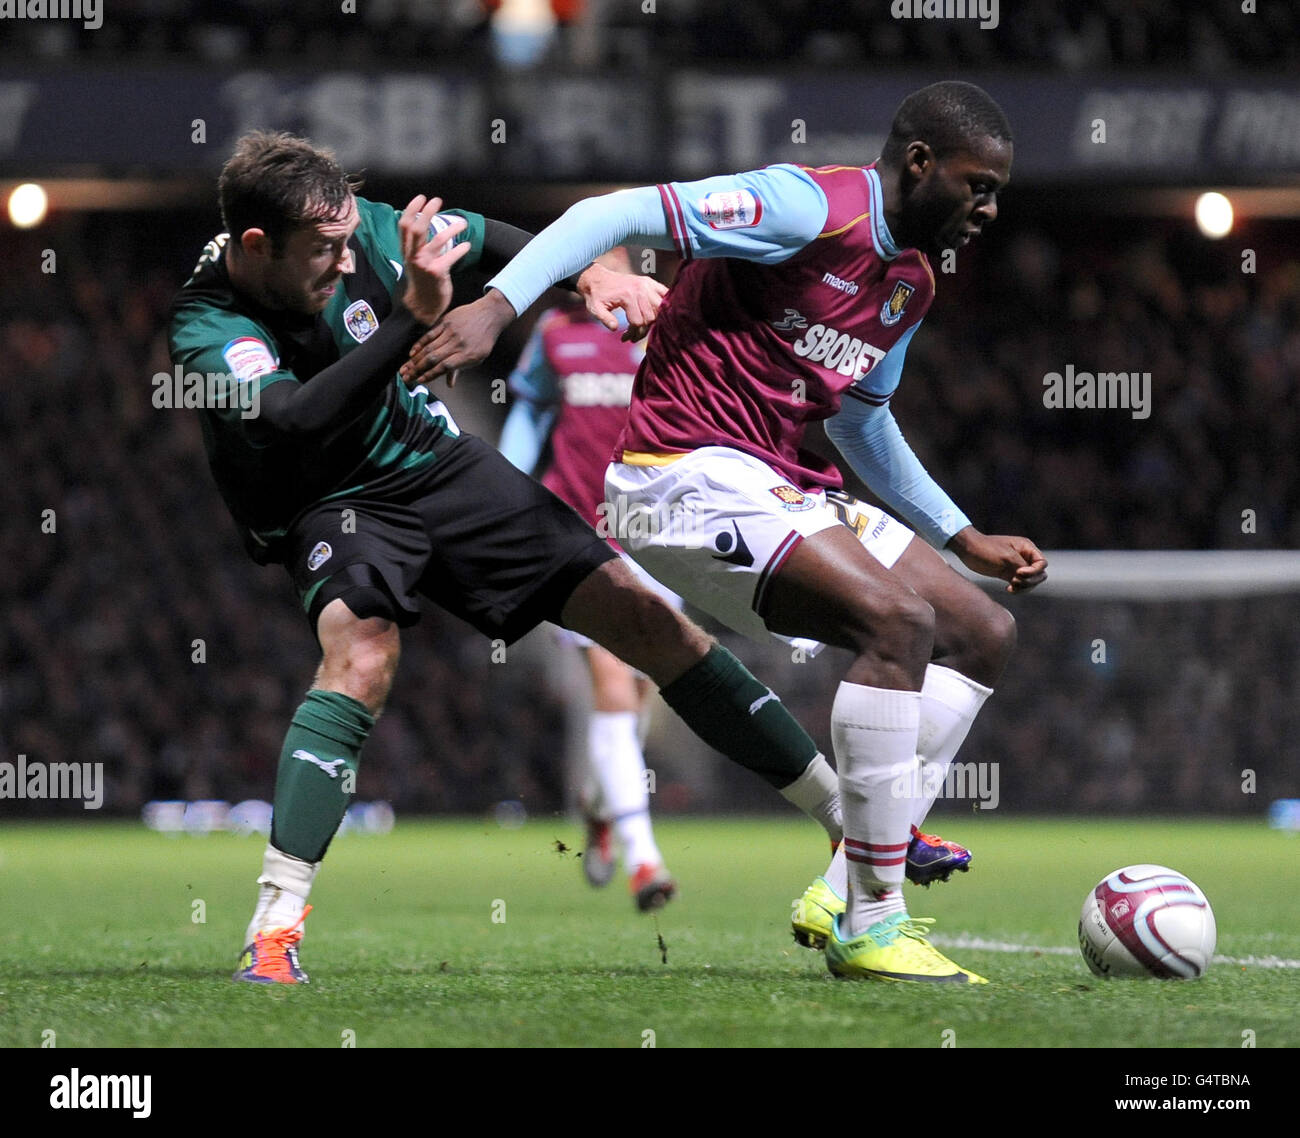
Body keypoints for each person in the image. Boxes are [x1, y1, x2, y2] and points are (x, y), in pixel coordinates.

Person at [400, 81, 1048, 983]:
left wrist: (958, 533)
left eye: (997, 194)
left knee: (984, 633)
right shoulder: (807, 205)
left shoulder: (912, 281)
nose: (987, 210)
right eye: (978, 186)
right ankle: (874, 920)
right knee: (897, 626)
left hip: (779, 479)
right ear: (919, 164)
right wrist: (497, 306)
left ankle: (844, 883)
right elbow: (615, 212)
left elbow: (863, 421)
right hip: (679, 475)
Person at [169, 131, 851, 984]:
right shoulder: (207, 325)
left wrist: (594, 276)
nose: (347, 264)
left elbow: (484, 232)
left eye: (351, 241)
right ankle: (274, 928)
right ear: (257, 246)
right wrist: (415, 317)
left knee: (646, 620)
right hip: (326, 501)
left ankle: (850, 823)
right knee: (362, 653)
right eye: (326, 251)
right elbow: (296, 421)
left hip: (433, 460)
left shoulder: (363, 228)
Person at [498, 247, 680, 911]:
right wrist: (507, 495)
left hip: (657, 535)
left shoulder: (663, 326)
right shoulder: (554, 335)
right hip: (576, 534)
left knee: (637, 697)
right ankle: (645, 860)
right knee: (611, 685)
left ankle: (599, 808)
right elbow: (530, 414)